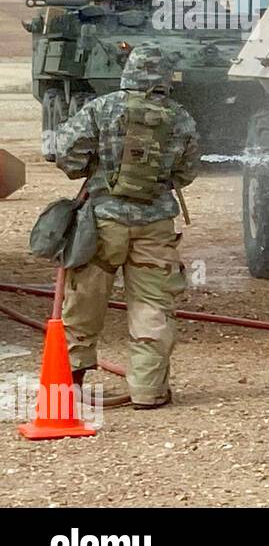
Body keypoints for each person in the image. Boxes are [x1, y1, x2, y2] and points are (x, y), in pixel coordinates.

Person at [53, 46, 199, 408]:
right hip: (156, 226)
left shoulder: (103, 108)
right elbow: (186, 172)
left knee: (85, 298)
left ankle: (71, 383)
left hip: (104, 222)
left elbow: (66, 153)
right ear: (165, 77)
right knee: (152, 305)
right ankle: (149, 392)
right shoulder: (179, 117)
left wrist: (94, 169)